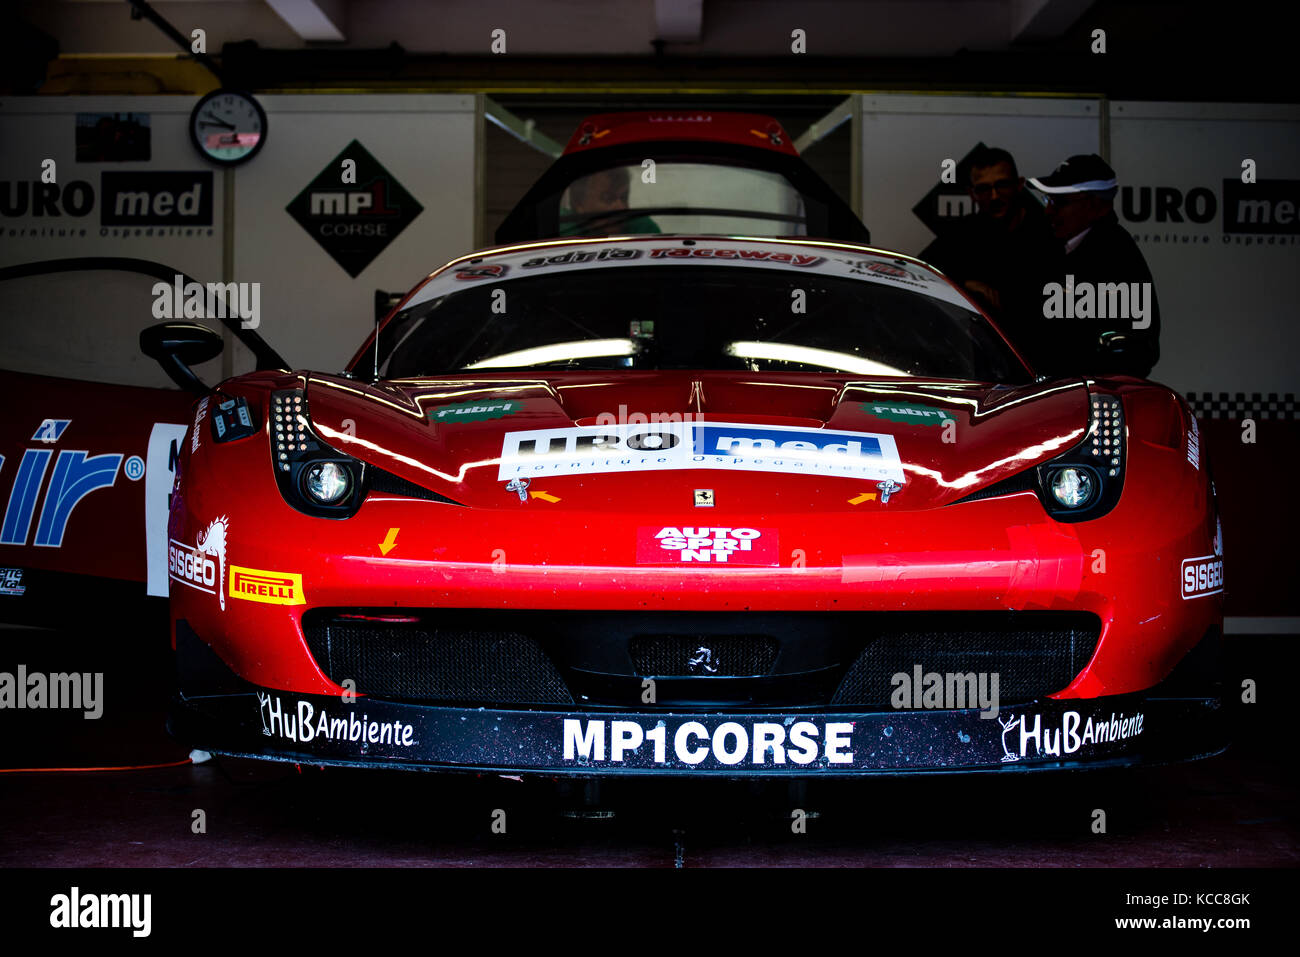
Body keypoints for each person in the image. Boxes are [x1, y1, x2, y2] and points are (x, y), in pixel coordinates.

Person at [919, 146, 1062, 358]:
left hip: (1044, 354)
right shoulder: (963, 232)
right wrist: (964, 284)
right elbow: (922, 271)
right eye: (984, 189)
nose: (994, 196)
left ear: (1019, 185)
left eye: (1002, 185)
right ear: (972, 193)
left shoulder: (1049, 232)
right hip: (982, 358)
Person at [1028, 154, 1160, 378]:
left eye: (1059, 202)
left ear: (1096, 206)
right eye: (1047, 200)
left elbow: (1140, 348)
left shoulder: (1118, 259)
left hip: (1086, 398)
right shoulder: (1053, 248)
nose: (1049, 211)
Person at [560, 166, 660, 237]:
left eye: (624, 198)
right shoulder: (559, 228)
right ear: (579, 204)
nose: (621, 207)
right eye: (608, 199)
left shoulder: (643, 229)